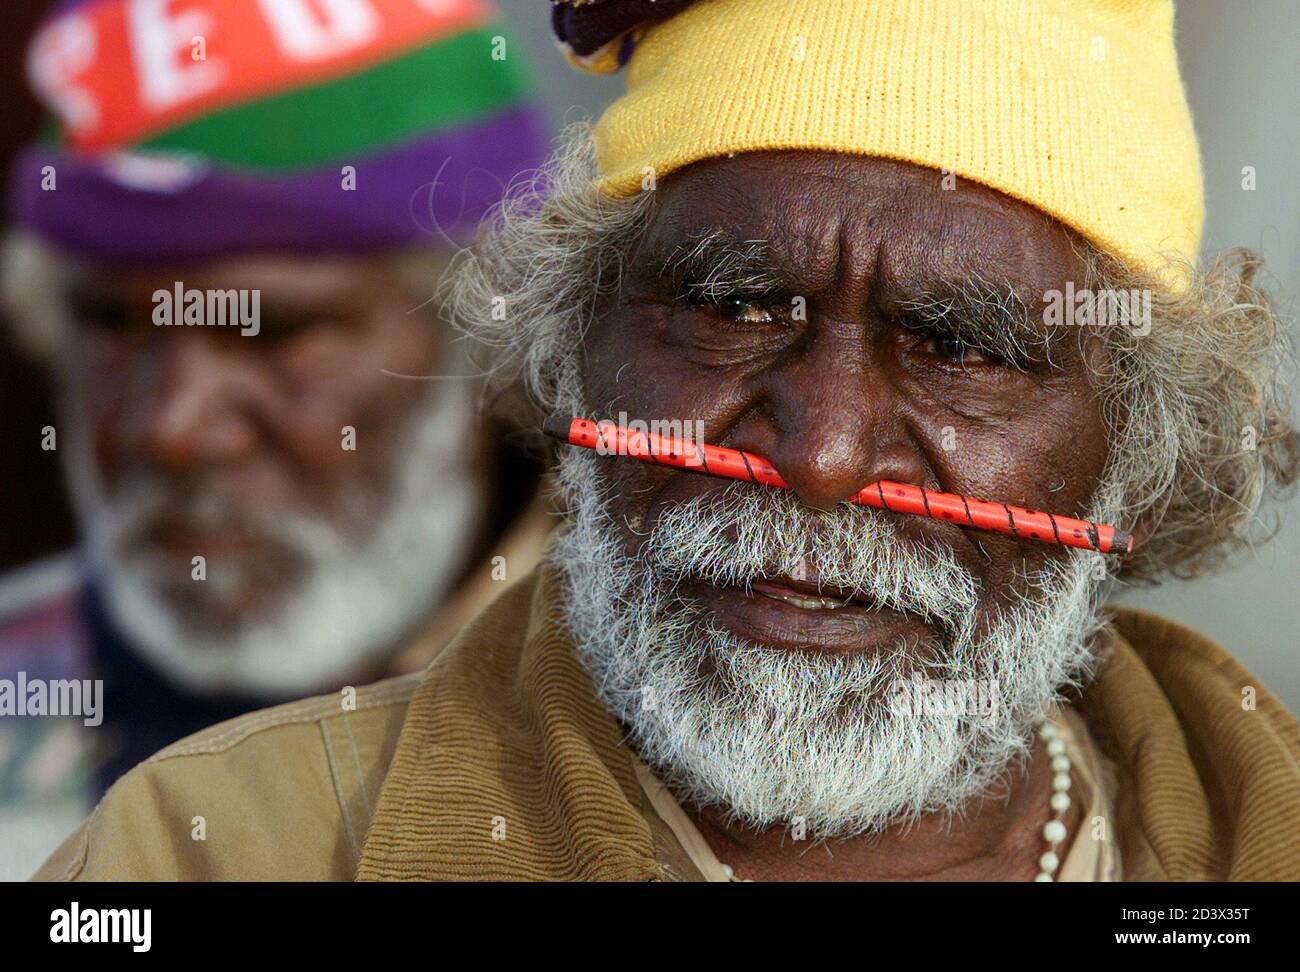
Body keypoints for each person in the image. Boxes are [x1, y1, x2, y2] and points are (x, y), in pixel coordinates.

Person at [35, 0, 1300, 882]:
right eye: (734, 308)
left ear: (1138, 448)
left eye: (962, 350)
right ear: (570, 349)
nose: (822, 460)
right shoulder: (212, 852)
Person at [1, 0, 551, 879]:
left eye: (271, 332)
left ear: (490, 340)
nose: (174, 428)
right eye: (108, 324)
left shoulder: (680, 710)